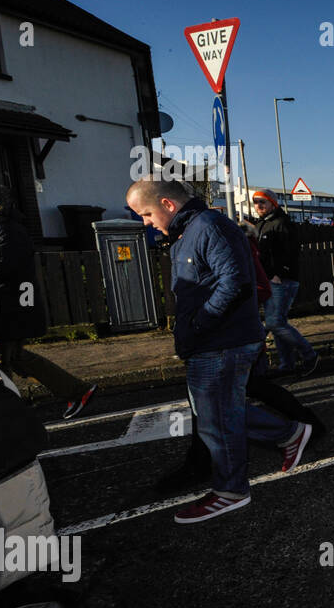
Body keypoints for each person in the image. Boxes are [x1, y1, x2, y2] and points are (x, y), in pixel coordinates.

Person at [126, 177, 312, 524]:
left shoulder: (209, 226)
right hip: (210, 342)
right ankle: (288, 435)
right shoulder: (189, 231)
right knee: (217, 416)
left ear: (167, 204)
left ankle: (232, 489)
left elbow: (236, 282)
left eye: (147, 214)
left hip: (222, 343)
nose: (145, 222)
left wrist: (199, 324)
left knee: (215, 420)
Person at [155, 220, 325, 493]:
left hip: (232, 339)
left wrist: (212, 316)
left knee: (231, 399)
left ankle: (297, 429)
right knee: (214, 404)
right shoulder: (215, 247)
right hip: (220, 340)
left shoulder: (236, 249)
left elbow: (255, 287)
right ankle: (211, 466)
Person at [0, 184, 98, 419]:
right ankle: (74, 391)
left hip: (8, 309)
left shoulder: (2, 229)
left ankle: (9, 418)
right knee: (12, 359)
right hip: (3, 308)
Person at [251, 189, 319, 377]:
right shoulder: (263, 224)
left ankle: (310, 356)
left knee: (274, 322)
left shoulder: (282, 223)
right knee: (278, 322)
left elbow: (290, 251)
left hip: (281, 281)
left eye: (262, 202)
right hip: (270, 279)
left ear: (273, 203)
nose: (258, 205)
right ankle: (287, 364)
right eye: (255, 202)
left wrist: (279, 274)